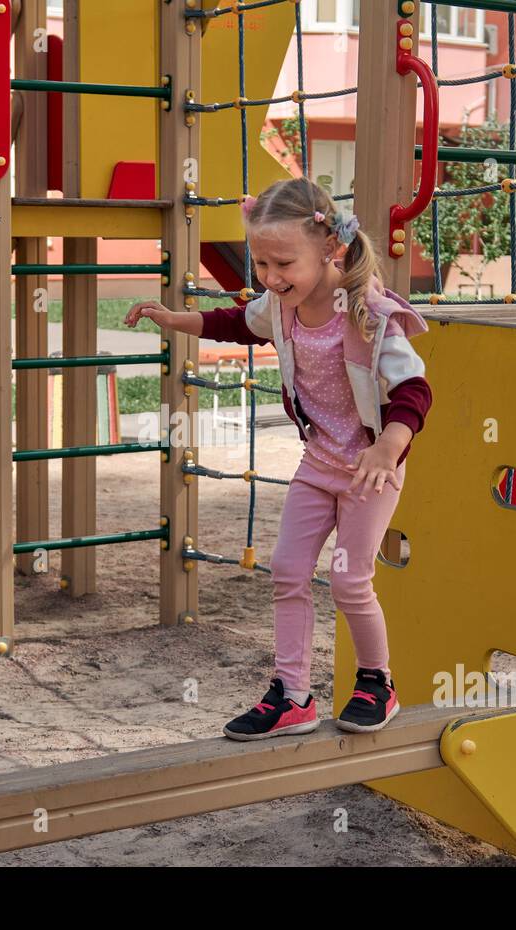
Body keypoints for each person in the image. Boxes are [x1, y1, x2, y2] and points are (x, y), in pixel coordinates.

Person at [123, 178, 432, 739]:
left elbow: (413, 388)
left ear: (330, 250)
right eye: (261, 263)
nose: (270, 277)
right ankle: (293, 696)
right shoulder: (279, 307)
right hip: (318, 466)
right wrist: (177, 321)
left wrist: (390, 445)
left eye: (283, 263)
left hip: (370, 470)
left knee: (348, 580)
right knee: (287, 573)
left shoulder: (366, 313)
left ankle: (376, 684)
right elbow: (236, 321)